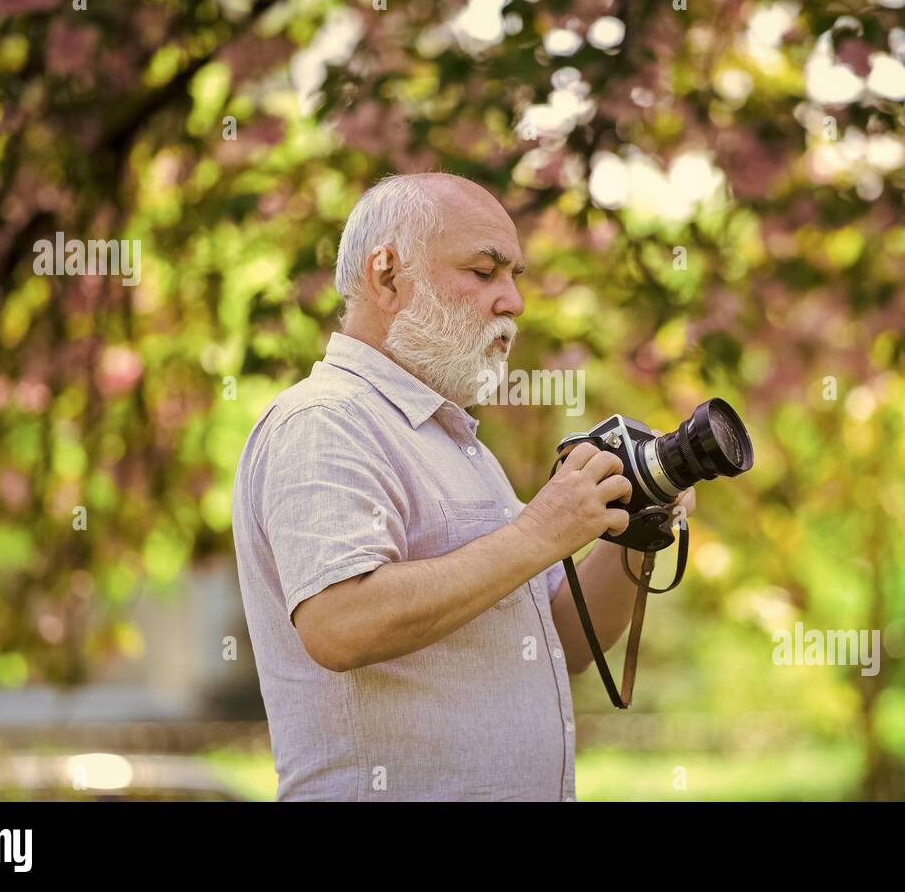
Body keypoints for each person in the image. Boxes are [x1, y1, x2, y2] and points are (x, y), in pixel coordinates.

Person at [231, 172, 694, 801]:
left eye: (515, 277)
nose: (513, 302)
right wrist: (540, 531)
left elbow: (563, 640)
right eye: (484, 272)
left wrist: (635, 524)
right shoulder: (326, 422)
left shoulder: (454, 441)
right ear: (387, 276)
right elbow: (340, 623)